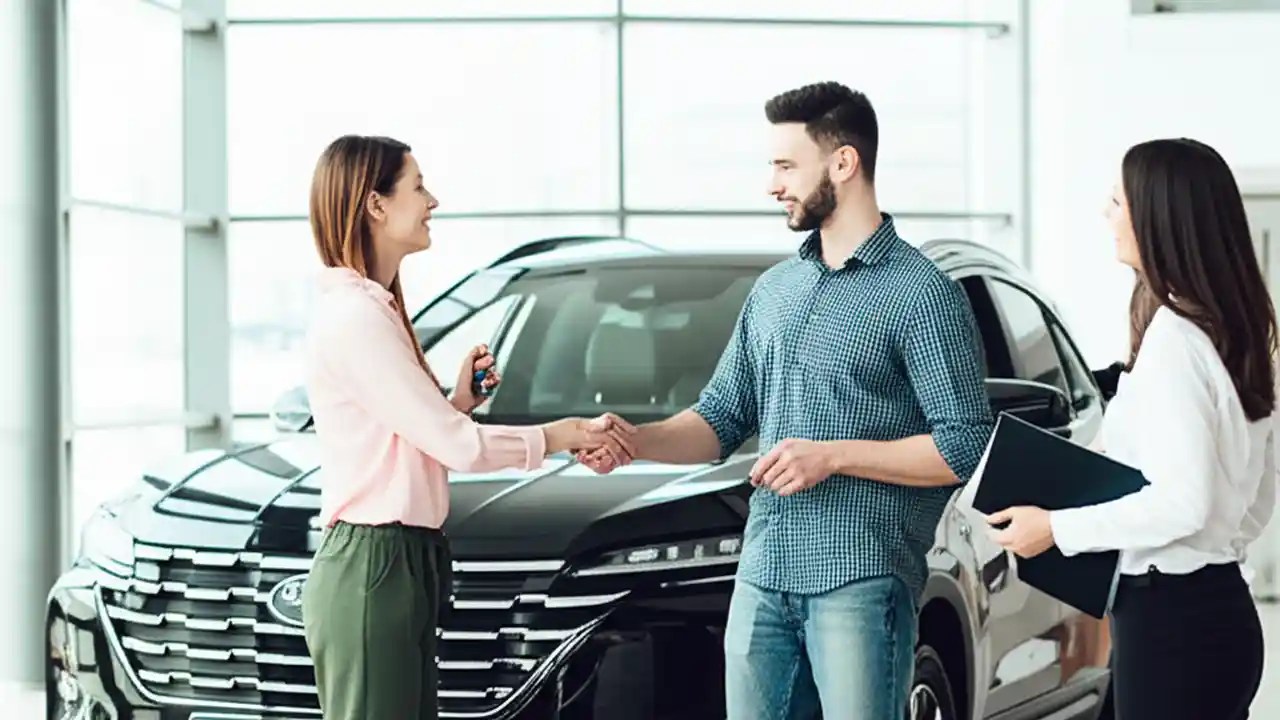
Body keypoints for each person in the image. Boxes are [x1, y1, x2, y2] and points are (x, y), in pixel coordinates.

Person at [577, 82, 993, 719]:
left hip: (861, 577)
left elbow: (964, 445)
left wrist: (832, 456)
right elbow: (720, 418)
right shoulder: (775, 290)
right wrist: (637, 440)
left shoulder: (923, 294)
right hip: (763, 572)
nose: (772, 185)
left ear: (843, 162)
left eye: (785, 166)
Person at [297, 134, 636, 720]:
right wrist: (564, 434)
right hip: (376, 561)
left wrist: (457, 402)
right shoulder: (355, 317)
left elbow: (411, 440)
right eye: (418, 186)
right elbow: (458, 448)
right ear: (375, 204)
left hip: (397, 560)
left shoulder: (374, 310)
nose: (432, 201)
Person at [986, 137, 1278, 720]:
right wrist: (1213, 548)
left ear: (1159, 219)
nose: (1107, 213)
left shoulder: (1175, 340)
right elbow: (1260, 496)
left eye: (1118, 202)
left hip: (1171, 625)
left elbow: (1182, 504)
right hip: (1219, 610)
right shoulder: (1237, 335)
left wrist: (1054, 528)